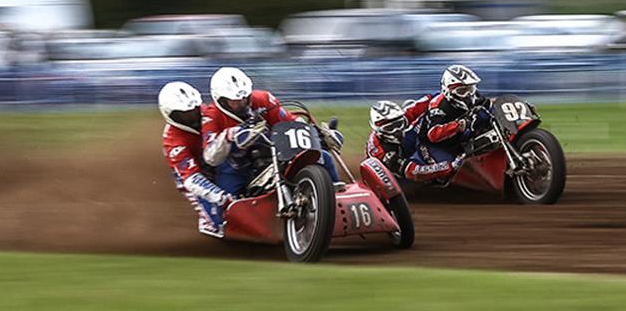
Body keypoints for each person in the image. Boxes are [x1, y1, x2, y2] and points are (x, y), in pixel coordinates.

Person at [201, 66, 342, 196]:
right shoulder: (211, 116)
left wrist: (316, 133)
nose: (242, 103)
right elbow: (210, 157)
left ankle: (337, 195)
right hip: (237, 166)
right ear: (221, 100)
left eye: (245, 98)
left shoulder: (263, 99)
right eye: (235, 101)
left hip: (275, 154)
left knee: (324, 157)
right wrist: (230, 135)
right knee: (227, 202)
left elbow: (289, 120)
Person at [159, 80, 233, 238]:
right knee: (216, 224)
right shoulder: (173, 140)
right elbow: (191, 179)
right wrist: (220, 197)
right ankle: (210, 221)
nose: (192, 116)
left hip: (220, 158)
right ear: (169, 114)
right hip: (194, 174)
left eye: (194, 110)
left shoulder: (210, 113)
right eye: (184, 114)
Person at [364, 97, 462, 184]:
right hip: (395, 173)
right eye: (391, 128)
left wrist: (445, 97)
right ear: (378, 130)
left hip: (404, 149)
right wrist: (448, 166)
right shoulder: (382, 153)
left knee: (422, 119)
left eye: (399, 124)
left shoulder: (405, 116)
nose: (397, 131)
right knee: (426, 180)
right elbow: (414, 171)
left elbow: (428, 100)